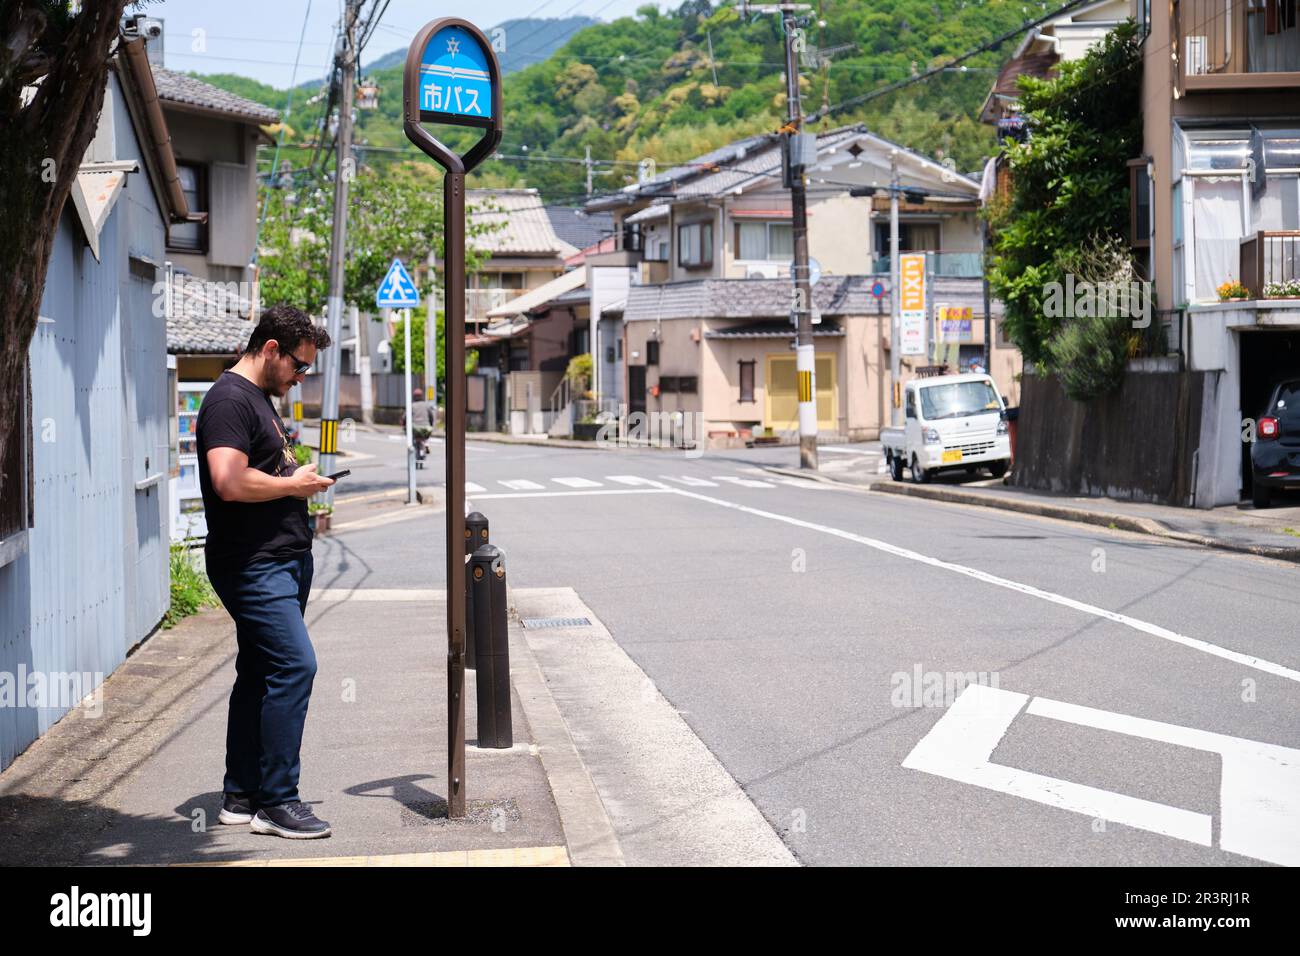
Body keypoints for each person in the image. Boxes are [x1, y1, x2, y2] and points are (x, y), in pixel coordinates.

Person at [196, 305, 336, 839]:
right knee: (296, 666)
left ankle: (240, 793)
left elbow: (257, 472)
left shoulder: (257, 399)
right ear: (271, 349)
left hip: (281, 561)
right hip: (255, 565)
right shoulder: (230, 400)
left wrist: (295, 478)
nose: (300, 379)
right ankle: (278, 801)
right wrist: (293, 487)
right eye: (298, 367)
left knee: (259, 672)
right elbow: (229, 481)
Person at [404, 387, 436, 462]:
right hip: (426, 427)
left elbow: (405, 417)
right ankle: (426, 444)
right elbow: (431, 416)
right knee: (426, 436)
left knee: (412, 437)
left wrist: (404, 425)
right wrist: (431, 425)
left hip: (415, 427)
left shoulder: (412, 406)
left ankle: (414, 449)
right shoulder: (426, 405)